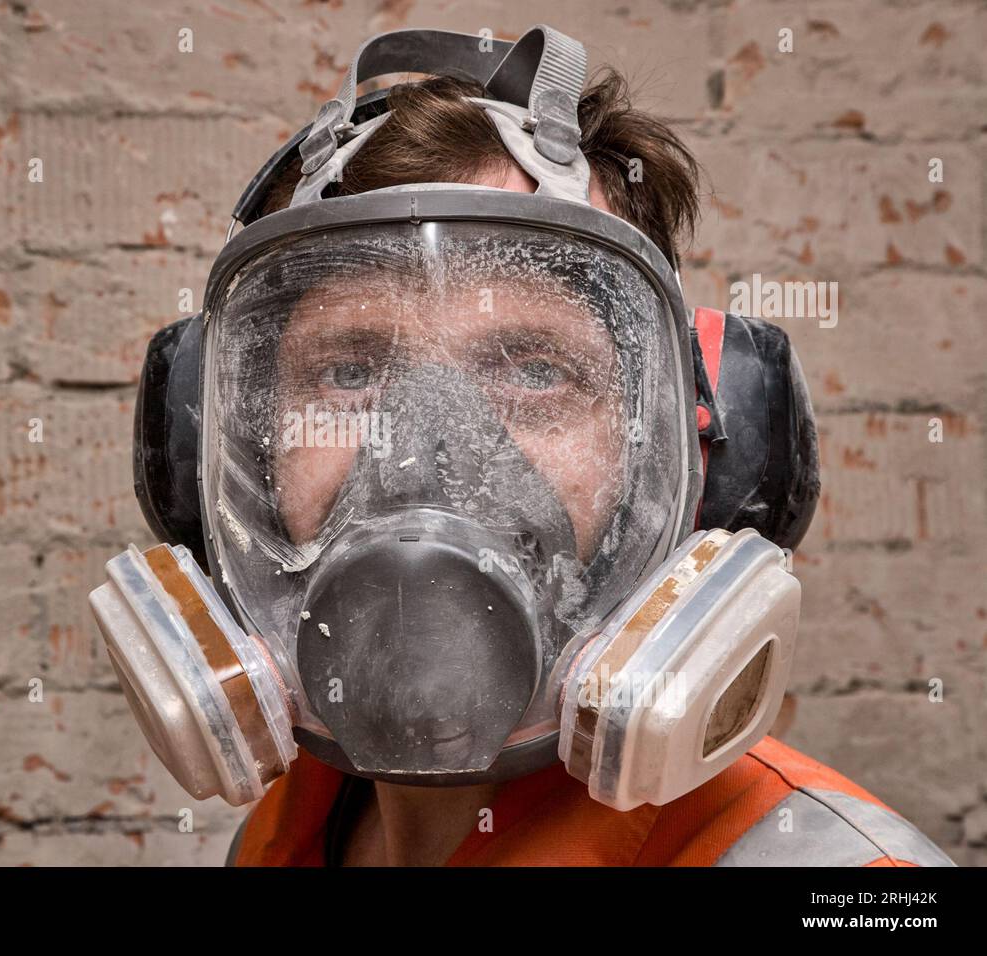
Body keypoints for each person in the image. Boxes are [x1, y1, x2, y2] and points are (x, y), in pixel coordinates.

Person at [100, 25, 955, 867]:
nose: (424, 454)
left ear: (694, 454)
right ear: (233, 453)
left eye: (537, 369)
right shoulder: (289, 827)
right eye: (351, 371)